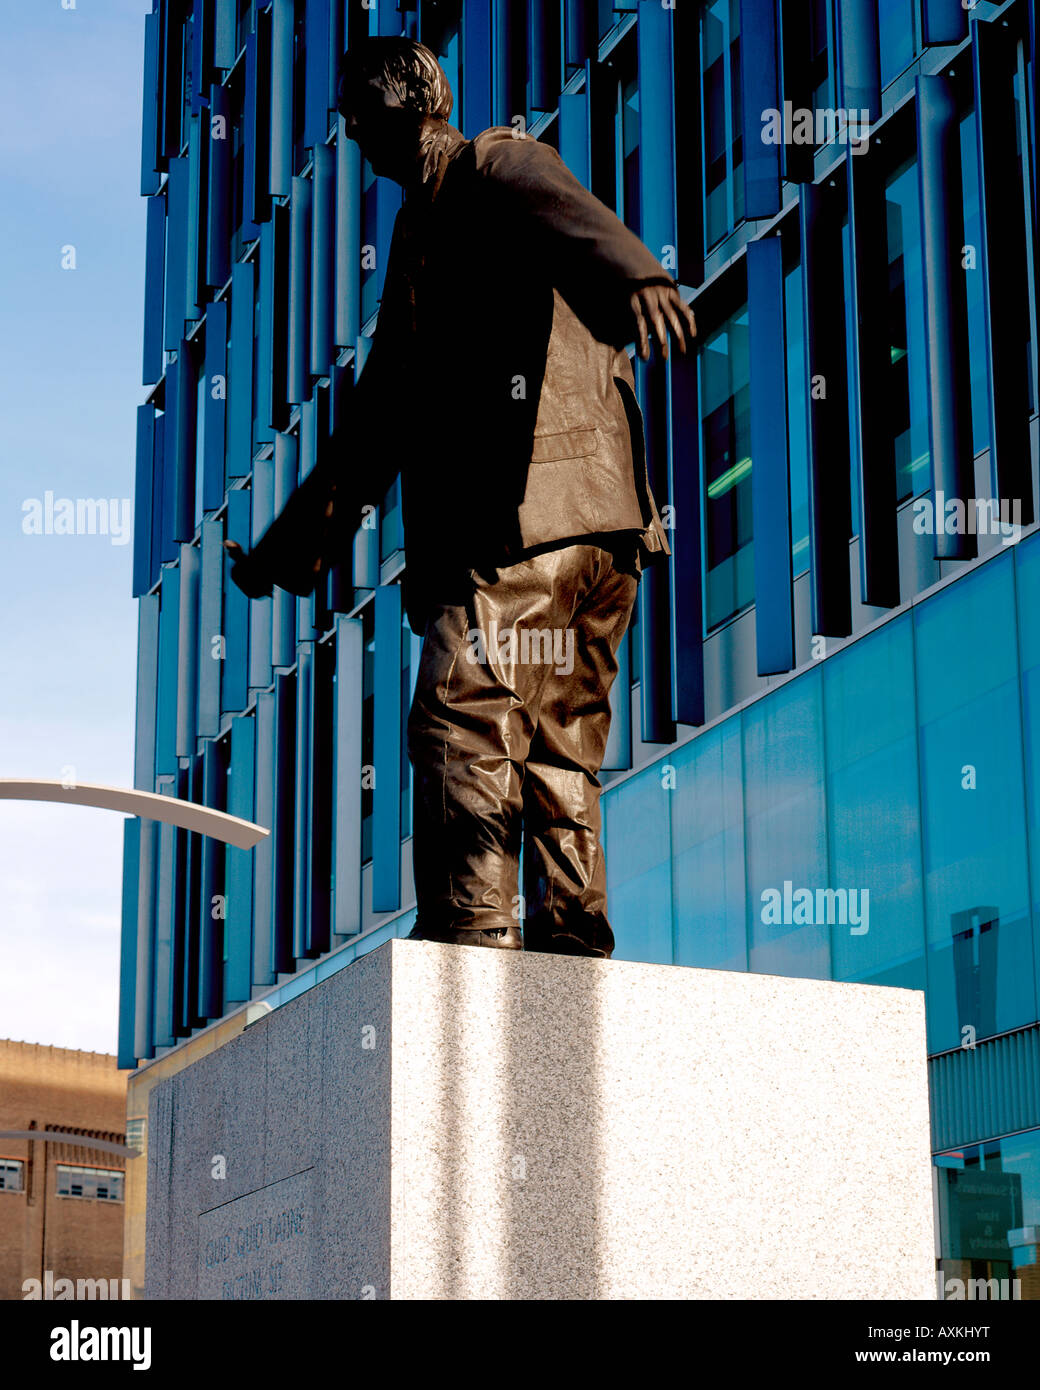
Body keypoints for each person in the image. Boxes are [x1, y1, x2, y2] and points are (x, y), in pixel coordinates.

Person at [226, 36, 695, 957]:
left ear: (398, 109)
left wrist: (636, 272)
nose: (353, 134)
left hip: (528, 522)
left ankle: (472, 953)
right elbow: (378, 421)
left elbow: (553, 199)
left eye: (359, 115)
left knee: (460, 715)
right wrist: (290, 551)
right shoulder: (422, 230)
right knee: (560, 746)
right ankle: (571, 956)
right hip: (603, 533)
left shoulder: (486, 163)